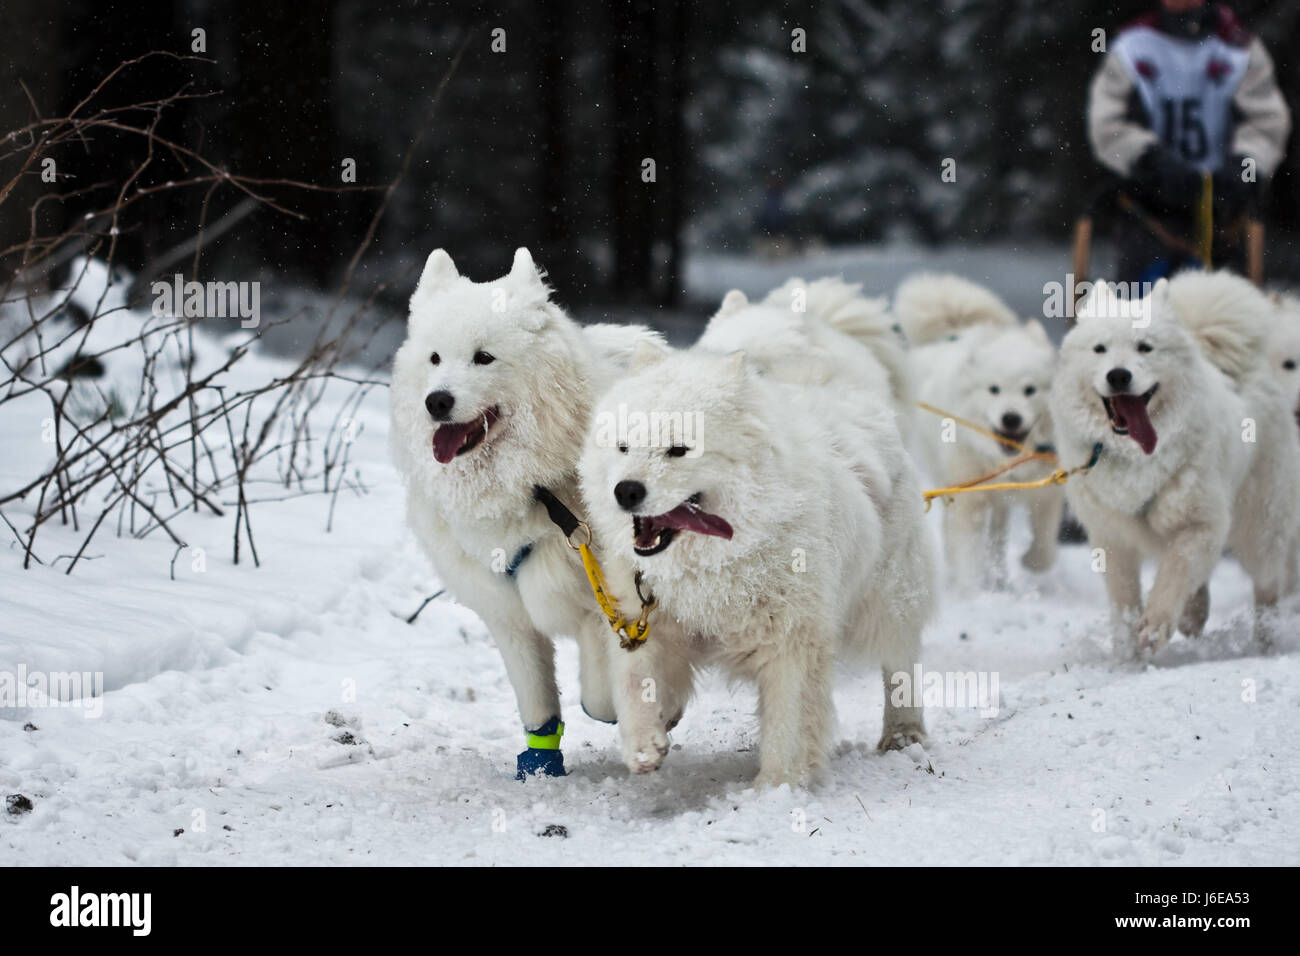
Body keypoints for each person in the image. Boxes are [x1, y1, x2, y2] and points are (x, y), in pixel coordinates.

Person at [1087, 0, 1290, 282]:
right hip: (1151, 209)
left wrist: (1246, 163)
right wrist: (1145, 157)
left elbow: (1267, 122)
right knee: (1141, 312)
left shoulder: (1240, 47)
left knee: (1226, 311)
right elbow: (1107, 122)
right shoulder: (1131, 46)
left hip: (1225, 211)